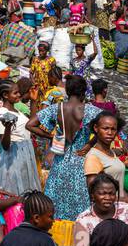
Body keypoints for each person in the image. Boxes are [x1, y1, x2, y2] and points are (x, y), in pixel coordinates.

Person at [28, 75, 100, 220]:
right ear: (83, 92)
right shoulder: (92, 111)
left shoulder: (57, 108)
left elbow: (30, 125)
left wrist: (51, 137)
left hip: (60, 160)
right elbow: (112, 124)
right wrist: (90, 144)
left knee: (55, 203)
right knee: (80, 205)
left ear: (67, 91)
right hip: (81, 161)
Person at [73, 174, 128, 246]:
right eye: (102, 193)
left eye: (111, 193)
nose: (108, 197)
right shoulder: (83, 220)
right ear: (92, 196)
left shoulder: (127, 211)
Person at [0, 81, 41, 197]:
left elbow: (31, 124)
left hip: (25, 153)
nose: (19, 95)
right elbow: (5, 146)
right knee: (16, 191)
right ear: (5, 95)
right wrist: (8, 128)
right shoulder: (3, 113)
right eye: (15, 93)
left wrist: (34, 101)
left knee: (27, 189)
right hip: (14, 156)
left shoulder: (16, 111)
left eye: (19, 92)